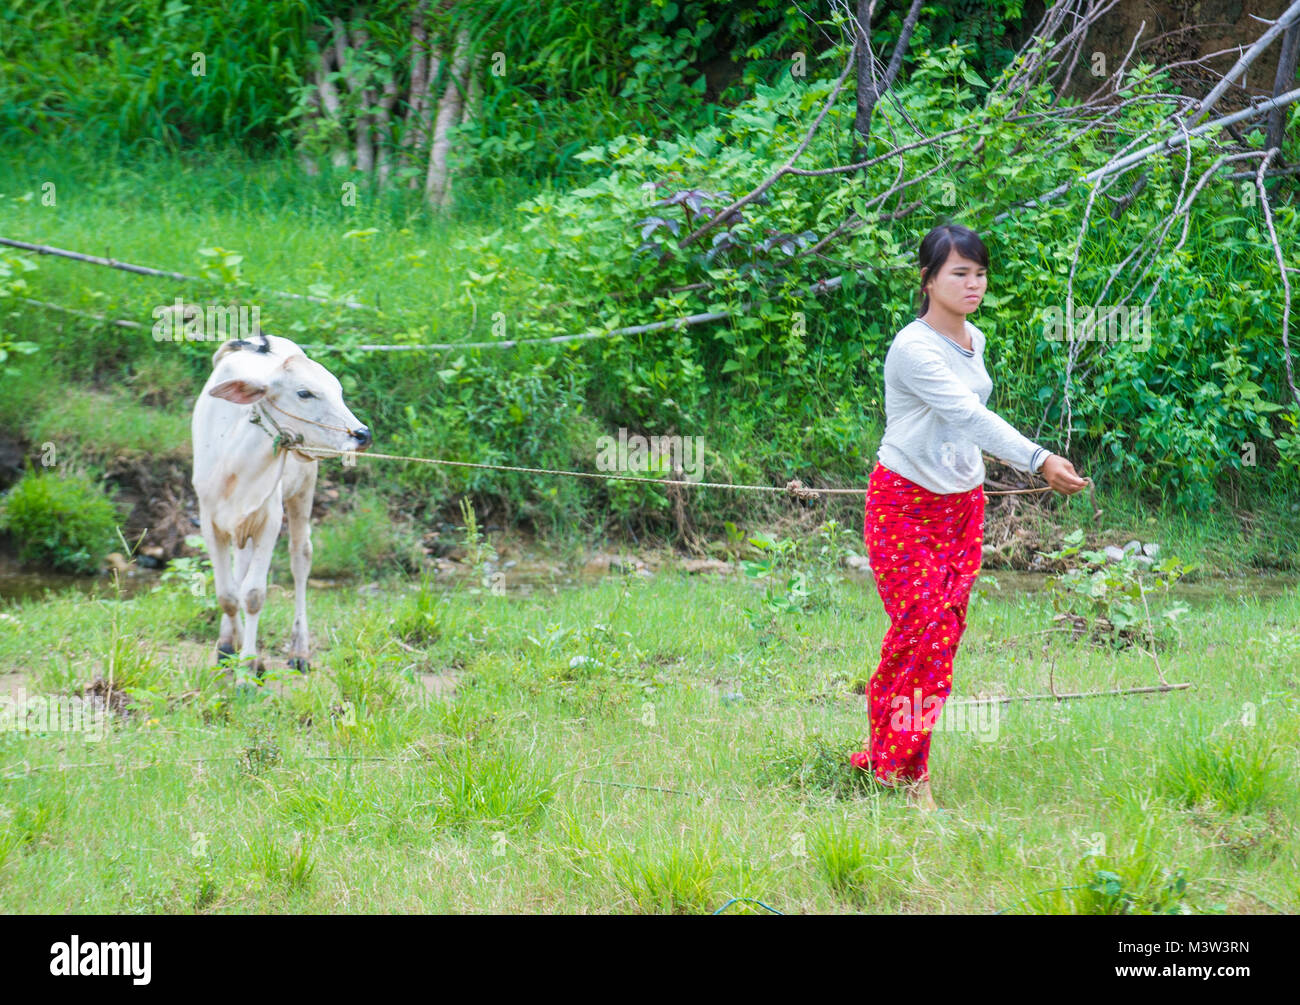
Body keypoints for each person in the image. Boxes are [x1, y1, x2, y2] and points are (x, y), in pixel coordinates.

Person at [851, 223, 1089, 811]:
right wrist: (1039, 460)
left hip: (963, 507)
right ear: (928, 279)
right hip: (905, 506)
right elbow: (966, 415)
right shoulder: (912, 348)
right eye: (959, 273)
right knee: (922, 631)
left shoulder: (973, 339)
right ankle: (909, 775)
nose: (973, 283)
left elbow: (971, 419)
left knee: (937, 636)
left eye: (980, 273)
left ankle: (886, 758)